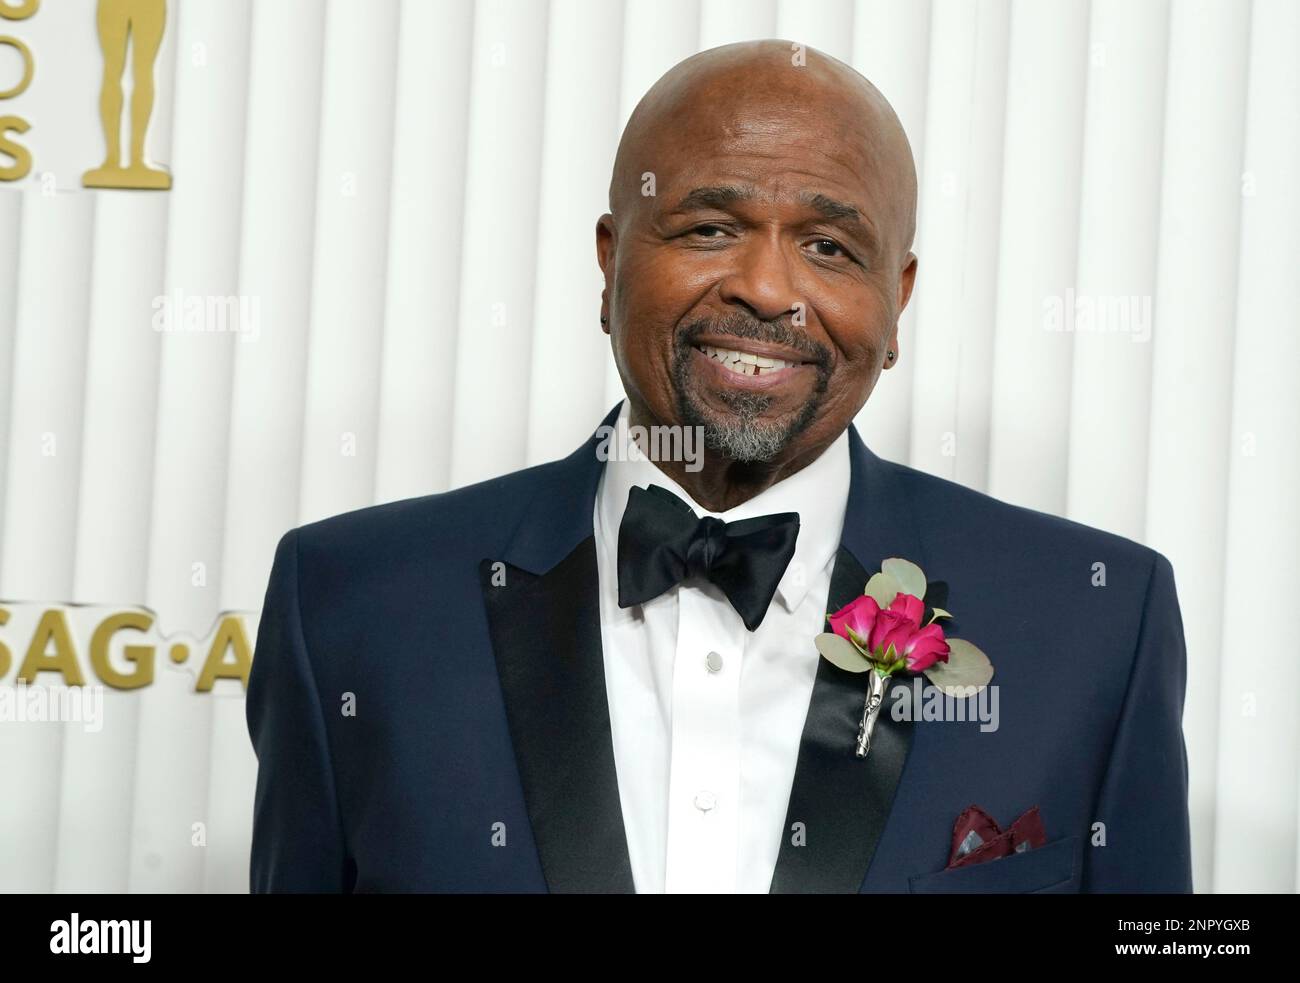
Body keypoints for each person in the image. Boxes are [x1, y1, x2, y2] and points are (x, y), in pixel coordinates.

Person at [245, 39, 1192, 893]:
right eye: (708, 229)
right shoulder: (350, 604)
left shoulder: (1098, 620)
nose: (769, 288)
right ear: (611, 265)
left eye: (829, 247)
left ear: (896, 299)